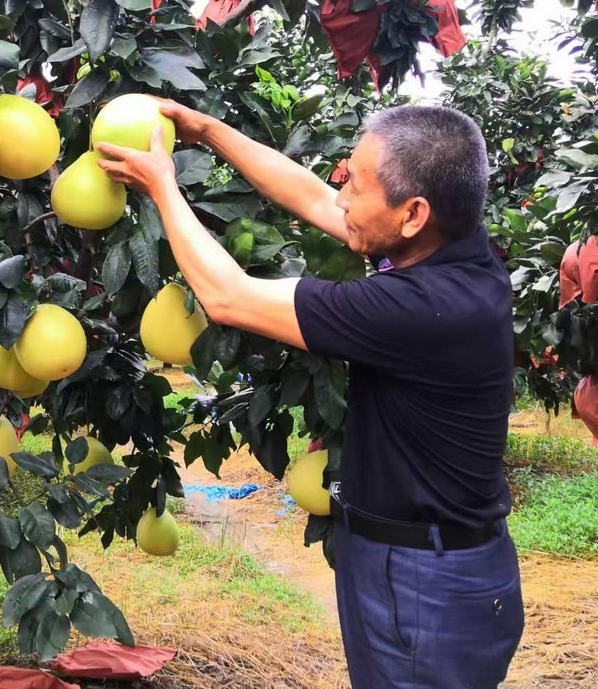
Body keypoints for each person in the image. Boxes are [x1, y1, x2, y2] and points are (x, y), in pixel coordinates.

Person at [94, 102, 524, 688]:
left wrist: (162, 186)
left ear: (413, 213)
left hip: (425, 581)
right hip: (430, 562)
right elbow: (315, 198)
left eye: (358, 184)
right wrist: (210, 130)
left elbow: (227, 297)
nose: (341, 196)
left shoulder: (422, 309)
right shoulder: (456, 255)